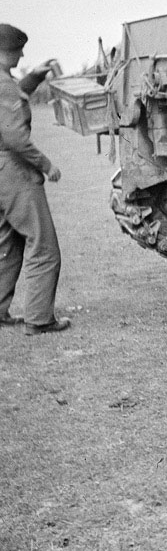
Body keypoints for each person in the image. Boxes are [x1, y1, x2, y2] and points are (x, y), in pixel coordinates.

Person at [0, 23, 70, 335]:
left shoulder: (4, 82)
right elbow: (14, 136)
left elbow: (15, 93)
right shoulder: (3, 84)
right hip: (14, 172)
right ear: (4, 51)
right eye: (17, 49)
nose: (22, 54)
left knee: (8, 245)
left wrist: (36, 74)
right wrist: (45, 164)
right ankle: (40, 319)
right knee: (44, 246)